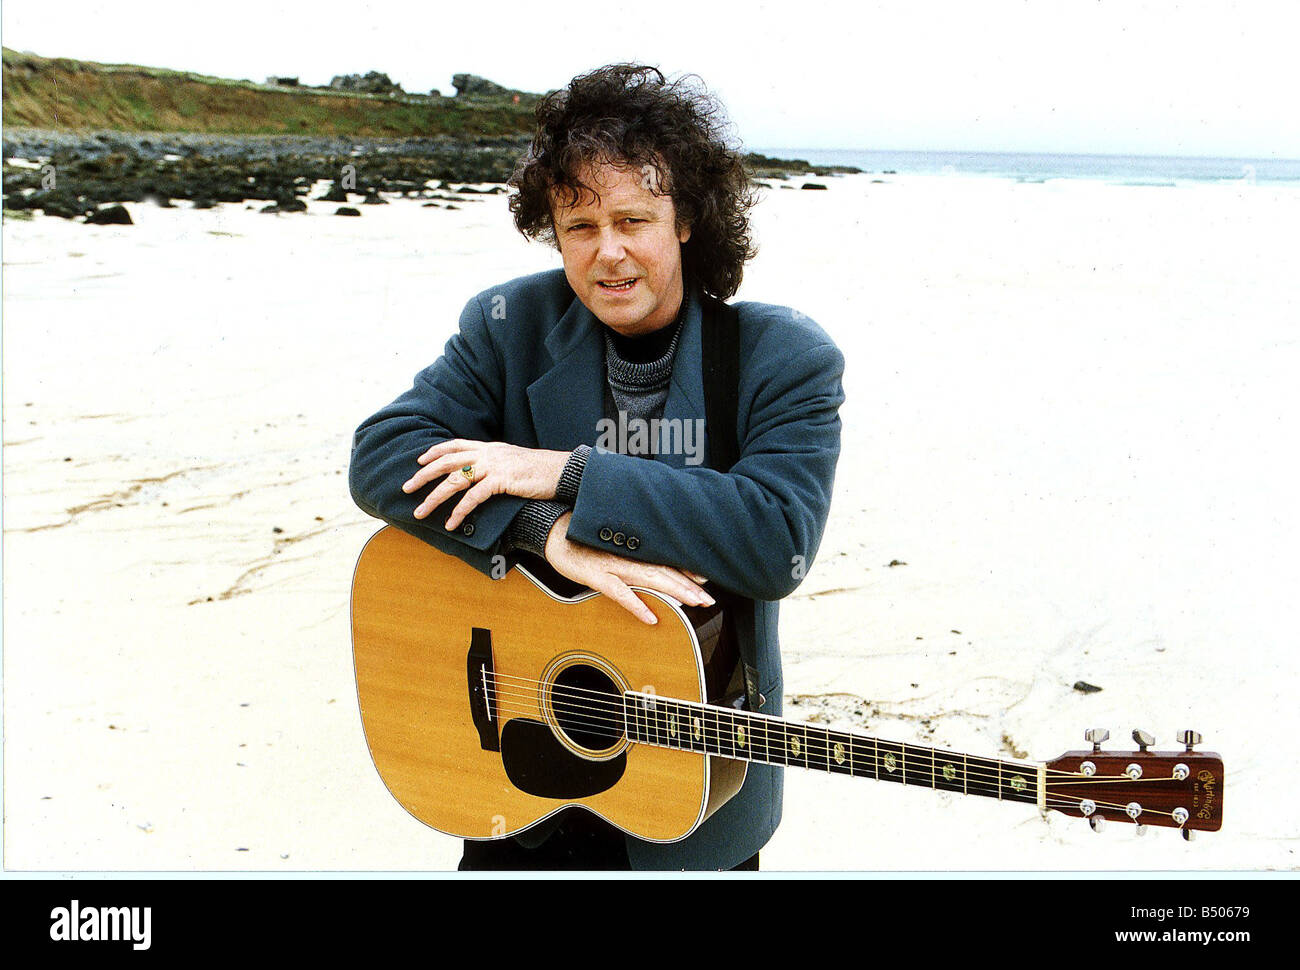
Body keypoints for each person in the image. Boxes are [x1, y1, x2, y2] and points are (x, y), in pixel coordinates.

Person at [348, 63, 845, 870]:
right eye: (579, 228)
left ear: (686, 221)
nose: (607, 253)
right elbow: (381, 456)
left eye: (632, 220)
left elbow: (775, 538)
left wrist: (566, 474)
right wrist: (541, 533)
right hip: (510, 774)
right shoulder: (509, 326)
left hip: (693, 787)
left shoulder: (779, 356)